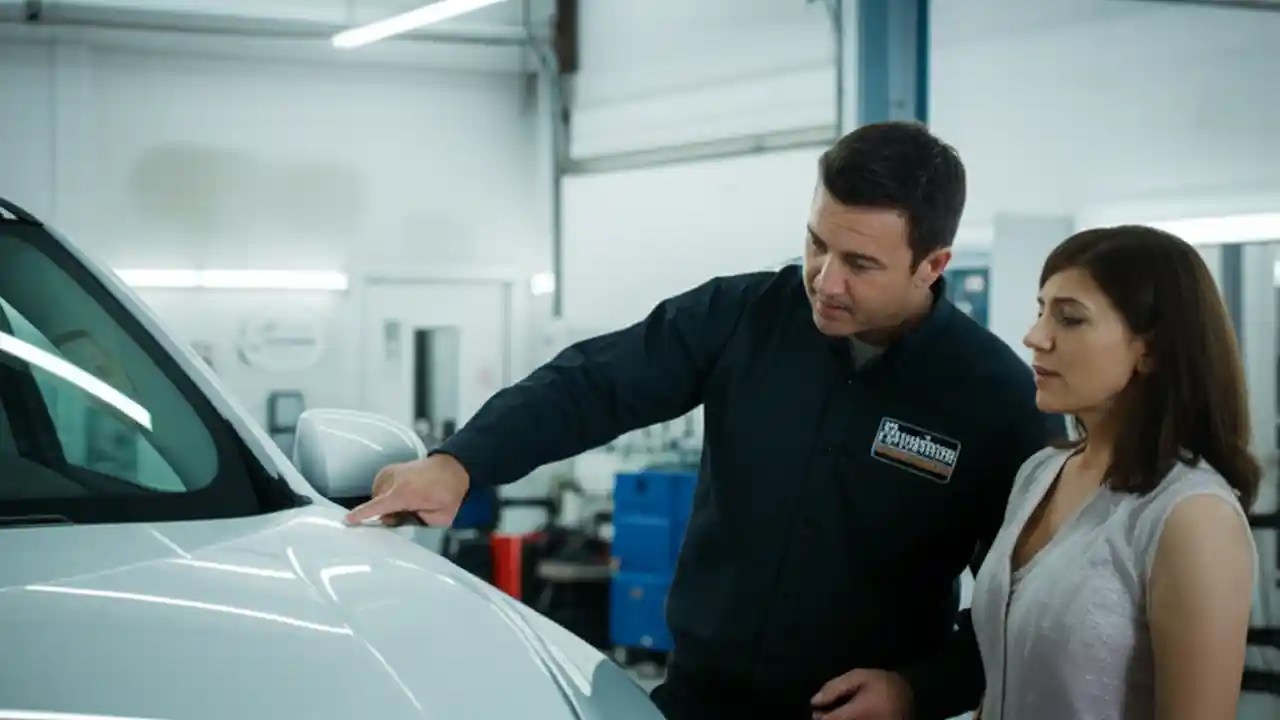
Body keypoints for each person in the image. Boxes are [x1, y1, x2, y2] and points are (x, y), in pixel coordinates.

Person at [344, 121, 1062, 720]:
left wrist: (918, 690)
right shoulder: (745, 317)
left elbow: (1026, 601)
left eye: (860, 263)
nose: (824, 279)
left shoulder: (993, 398)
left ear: (932, 264)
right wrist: (462, 461)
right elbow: (598, 383)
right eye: (816, 243)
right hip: (701, 698)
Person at [970, 225, 1260, 720]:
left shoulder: (1191, 516)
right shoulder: (1039, 474)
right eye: (1042, 311)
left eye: (1070, 318)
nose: (1035, 337)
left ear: (1149, 349)